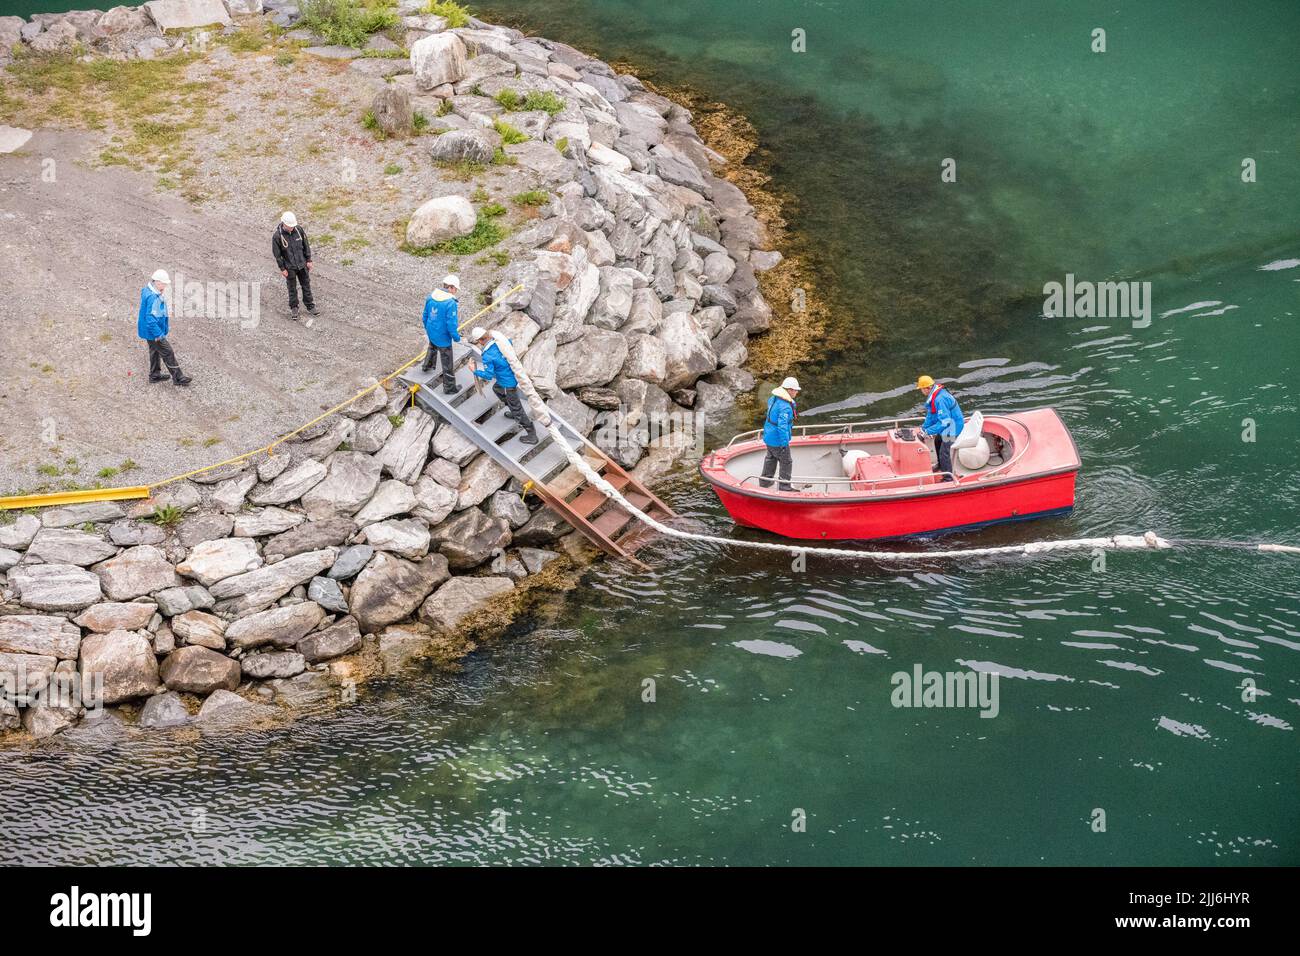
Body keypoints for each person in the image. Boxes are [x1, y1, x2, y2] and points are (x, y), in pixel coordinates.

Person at [470, 326, 538, 445]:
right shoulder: (499, 342)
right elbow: (510, 343)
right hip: (511, 376)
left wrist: (474, 370)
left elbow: (488, 375)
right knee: (496, 388)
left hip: (507, 384)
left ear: (480, 341)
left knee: (518, 409)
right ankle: (512, 409)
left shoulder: (487, 355)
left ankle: (532, 434)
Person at [137, 269, 191, 386]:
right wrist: (158, 335)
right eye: (163, 283)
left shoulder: (148, 291)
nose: (165, 286)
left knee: (155, 351)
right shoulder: (153, 297)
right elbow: (151, 319)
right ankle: (178, 377)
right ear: (156, 282)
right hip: (153, 332)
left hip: (149, 331)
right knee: (167, 351)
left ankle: (154, 375)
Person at [917, 374, 964, 481]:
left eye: (921, 389)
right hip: (949, 423)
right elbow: (932, 414)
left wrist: (928, 432)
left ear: (927, 388)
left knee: (944, 452)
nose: (921, 391)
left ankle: (948, 478)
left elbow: (945, 422)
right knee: (937, 441)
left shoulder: (940, 399)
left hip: (953, 426)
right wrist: (924, 428)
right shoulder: (934, 395)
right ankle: (940, 465)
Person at [421, 274, 461, 396]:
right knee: (447, 363)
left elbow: (425, 316)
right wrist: (456, 337)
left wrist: (428, 329)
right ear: (451, 287)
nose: (456, 292)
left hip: (432, 331)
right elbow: (451, 324)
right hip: (443, 337)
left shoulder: (431, 297)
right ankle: (449, 388)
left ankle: (426, 366)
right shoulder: (450, 303)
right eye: (456, 289)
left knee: (432, 346)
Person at [272, 211, 317, 318]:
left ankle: (310, 306)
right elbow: (277, 255)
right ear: (284, 223)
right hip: (289, 267)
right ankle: (294, 307)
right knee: (292, 288)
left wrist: (309, 260)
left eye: (293, 225)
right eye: (289, 226)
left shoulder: (299, 230)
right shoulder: (277, 236)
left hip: (302, 265)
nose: (292, 227)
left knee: (306, 285)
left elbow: (306, 245)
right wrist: (282, 268)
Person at [759, 376, 800, 491]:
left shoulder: (774, 399)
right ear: (790, 390)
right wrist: (784, 443)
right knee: (786, 461)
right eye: (796, 390)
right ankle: (784, 486)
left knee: (771, 458)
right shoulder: (786, 407)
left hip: (769, 436)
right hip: (778, 440)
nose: (797, 392)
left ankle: (765, 482)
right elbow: (782, 427)